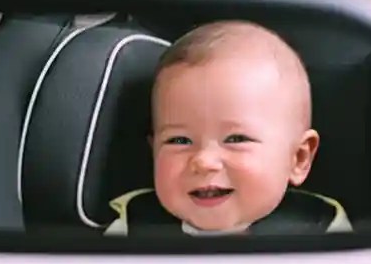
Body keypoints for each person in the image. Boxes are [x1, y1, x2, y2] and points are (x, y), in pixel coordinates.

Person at [103, 20, 352, 237]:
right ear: (153, 150)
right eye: (179, 140)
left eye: (236, 138)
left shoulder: (319, 230)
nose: (204, 161)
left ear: (298, 158)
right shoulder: (133, 228)